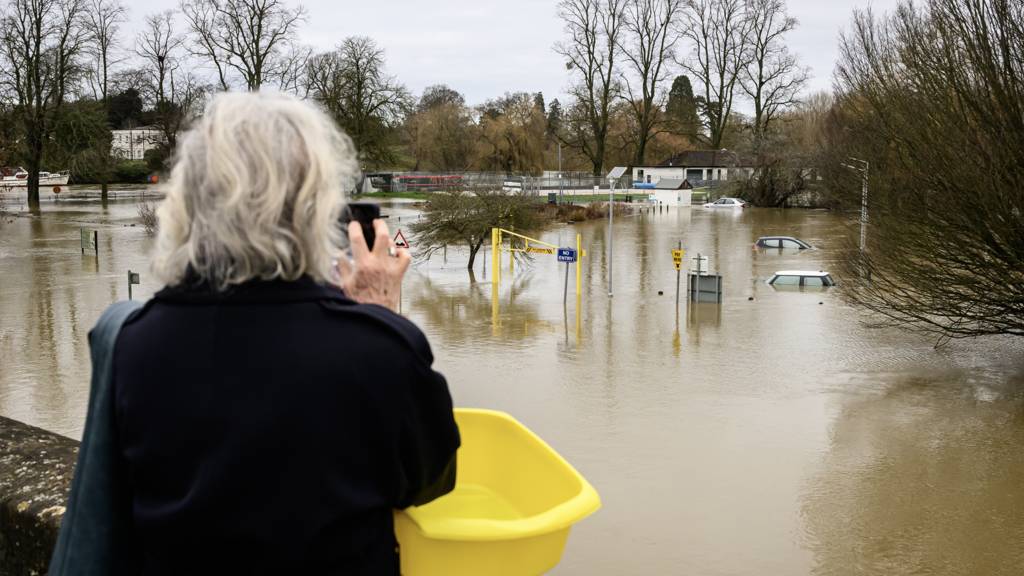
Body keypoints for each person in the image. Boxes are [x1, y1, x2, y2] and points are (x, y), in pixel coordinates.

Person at [111, 92, 460, 574]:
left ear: (188, 202)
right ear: (313, 206)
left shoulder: (134, 343)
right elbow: (431, 480)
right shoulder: (376, 350)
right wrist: (381, 316)